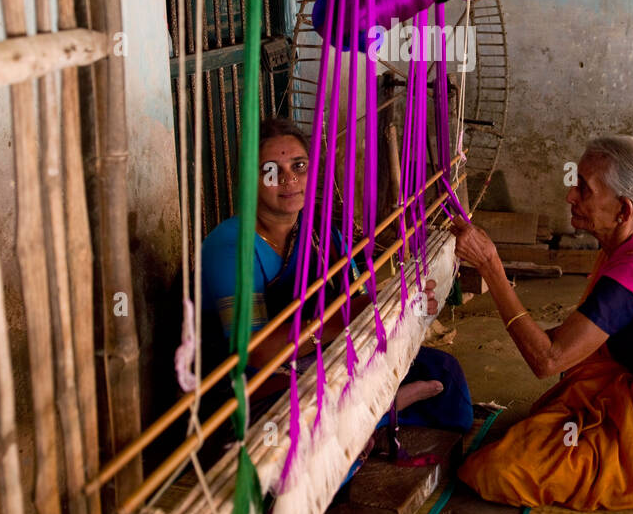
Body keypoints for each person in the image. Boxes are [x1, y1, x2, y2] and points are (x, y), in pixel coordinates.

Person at [450, 135, 633, 511]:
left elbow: (547, 360)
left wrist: (491, 267)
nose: (570, 197)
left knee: (496, 470)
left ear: (623, 211)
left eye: (584, 189)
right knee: (556, 408)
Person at [198, 116, 473, 440]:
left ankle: (372, 412)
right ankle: (381, 410)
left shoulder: (319, 233)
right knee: (311, 431)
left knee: (447, 380)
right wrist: (358, 314)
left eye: (299, 166)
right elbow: (254, 353)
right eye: (271, 171)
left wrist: (403, 305)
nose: (288, 179)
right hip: (253, 386)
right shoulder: (230, 249)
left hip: (323, 358)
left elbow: (360, 297)